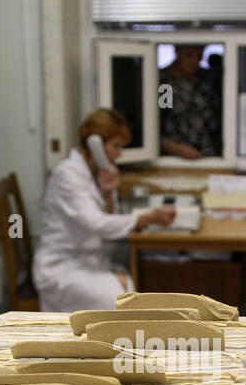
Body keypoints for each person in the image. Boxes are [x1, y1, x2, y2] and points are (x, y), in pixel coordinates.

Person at [34, 109, 175, 313]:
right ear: (94, 145)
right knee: (119, 300)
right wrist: (145, 218)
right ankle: (101, 343)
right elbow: (97, 224)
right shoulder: (68, 174)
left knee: (127, 291)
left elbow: (107, 219)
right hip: (61, 267)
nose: (120, 153)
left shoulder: (95, 173)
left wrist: (108, 194)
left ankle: (115, 343)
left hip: (87, 261)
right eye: (115, 146)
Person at [158, 45, 222, 159]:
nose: (194, 61)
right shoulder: (166, 85)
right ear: (177, 52)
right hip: (175, 158)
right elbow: (160, 124)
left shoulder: (208, 79)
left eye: (199, 56)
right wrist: (175, 148)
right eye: (188, 55)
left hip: (210, 155)